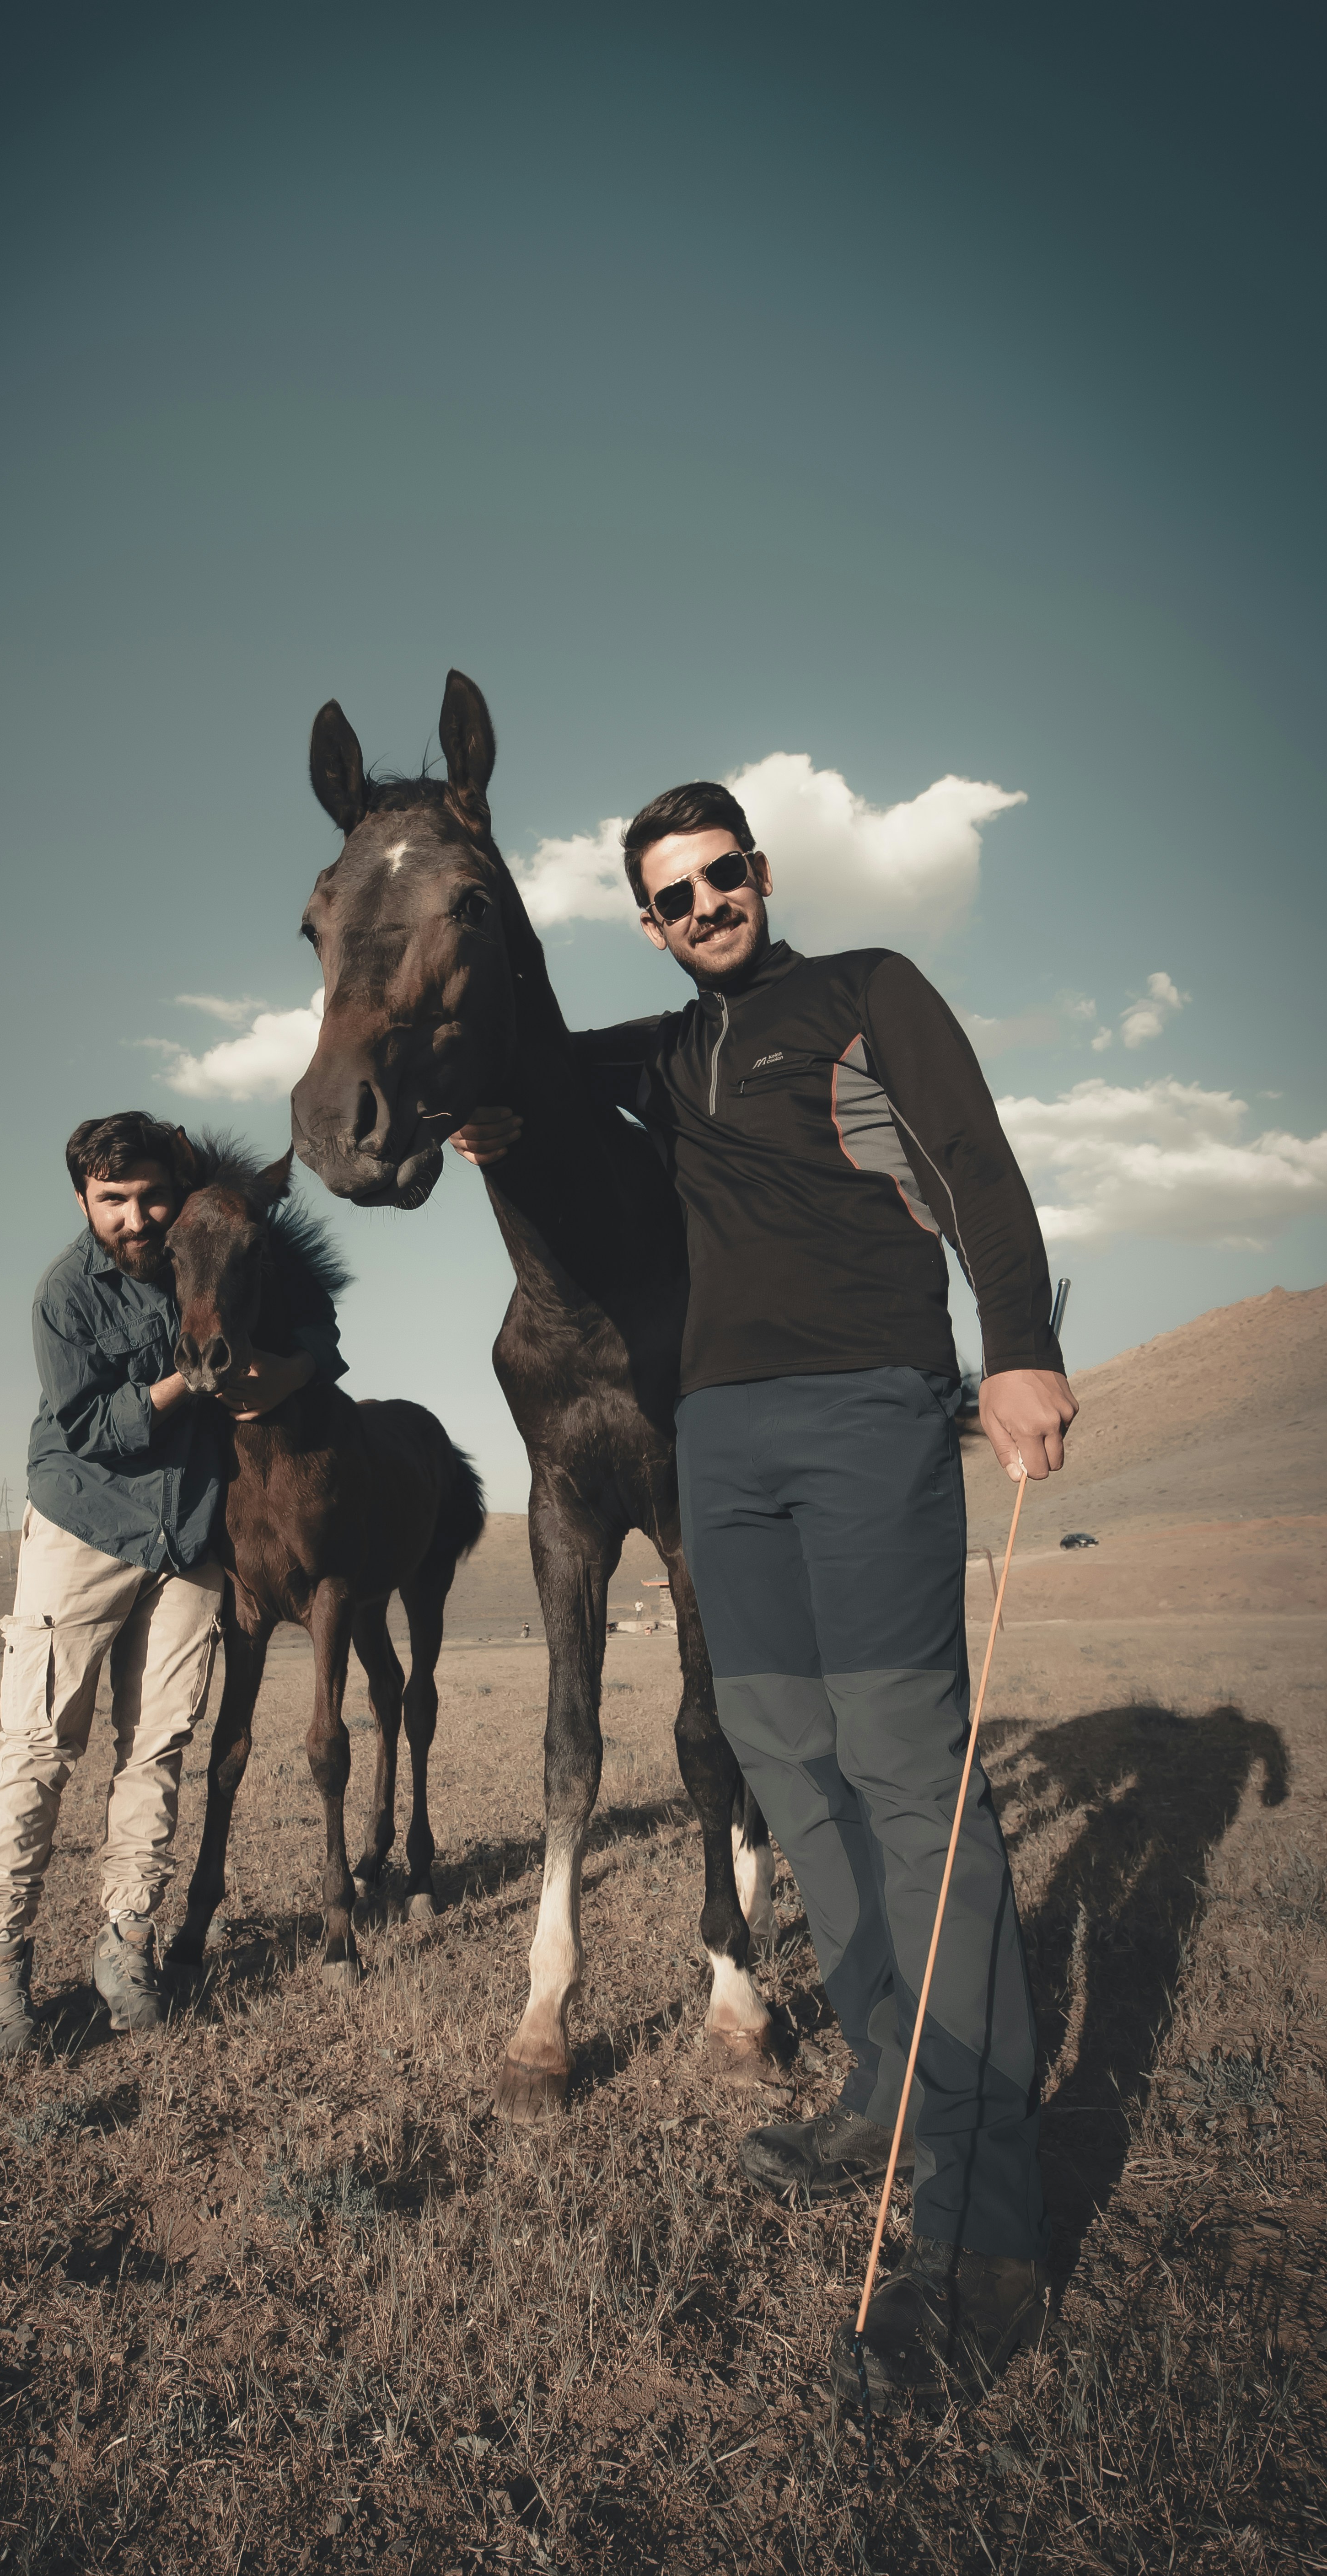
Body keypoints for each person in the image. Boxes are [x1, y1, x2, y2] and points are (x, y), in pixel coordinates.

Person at [454, 783, 1075, 2406]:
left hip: (867, 1399)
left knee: (901, 1770)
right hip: (715, 1434)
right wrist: (478, 1101)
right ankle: (879, 2076)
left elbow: (974, 1161)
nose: (706, 903)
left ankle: (984, 2227)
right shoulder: (660, 1054)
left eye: (723, 875)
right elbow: (538, 1067)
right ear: (648, 921)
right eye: (673, 893)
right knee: (781, 1760)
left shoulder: (862, 990)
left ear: (759, 875)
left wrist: (1016, 1349)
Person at [0, 1110, 346, 2065]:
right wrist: (192, 1381)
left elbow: (318, 1327)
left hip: (187, 1541)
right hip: (84, 1529)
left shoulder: (211, 1248)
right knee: (42, 1744)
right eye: (111, 1201)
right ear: (83, 1201)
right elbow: (93, 1428)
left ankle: (127, 1941)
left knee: (160, 1748)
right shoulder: (67, 1293)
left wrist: (288, 1364)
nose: (133, 1218)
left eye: (148, 1197)